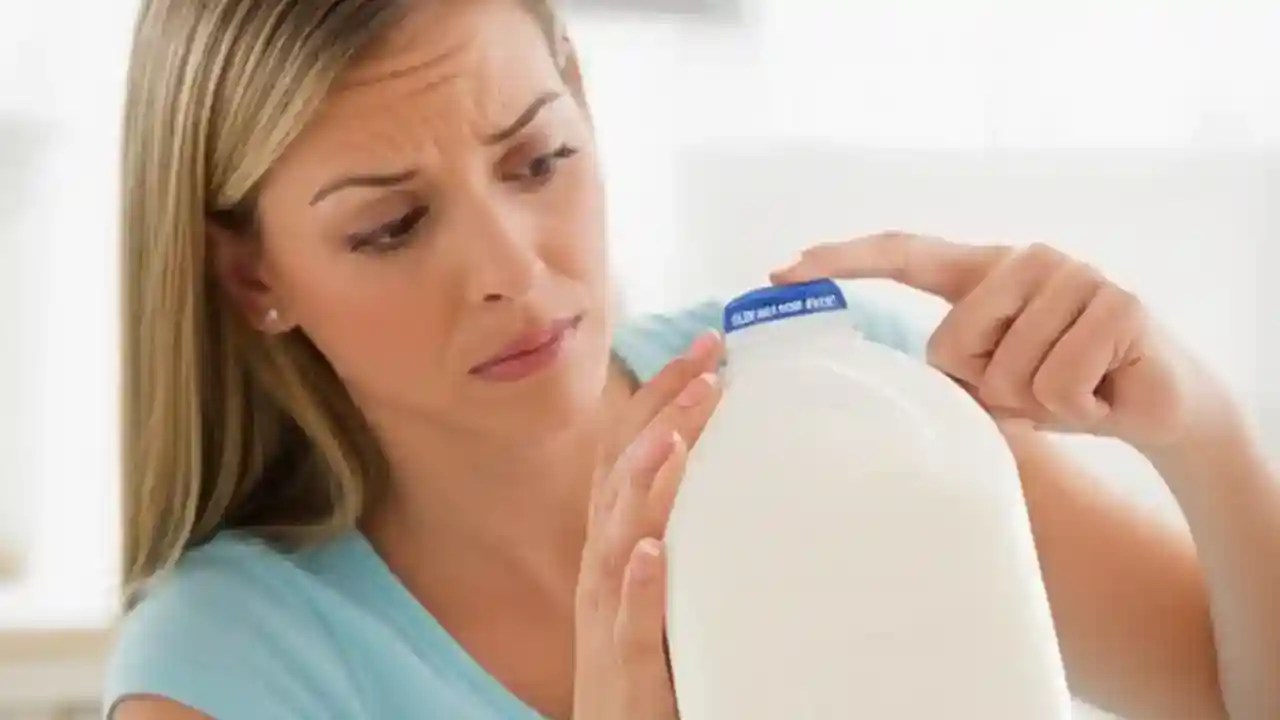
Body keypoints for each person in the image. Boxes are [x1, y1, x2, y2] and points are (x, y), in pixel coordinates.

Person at [106, 0, 1280, 718]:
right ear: (253, 278)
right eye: (391, 228)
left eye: (536, 160)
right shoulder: (225, 668)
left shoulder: (841, 405)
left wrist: (1200, 434)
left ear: (585, 105)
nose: (509, 268)